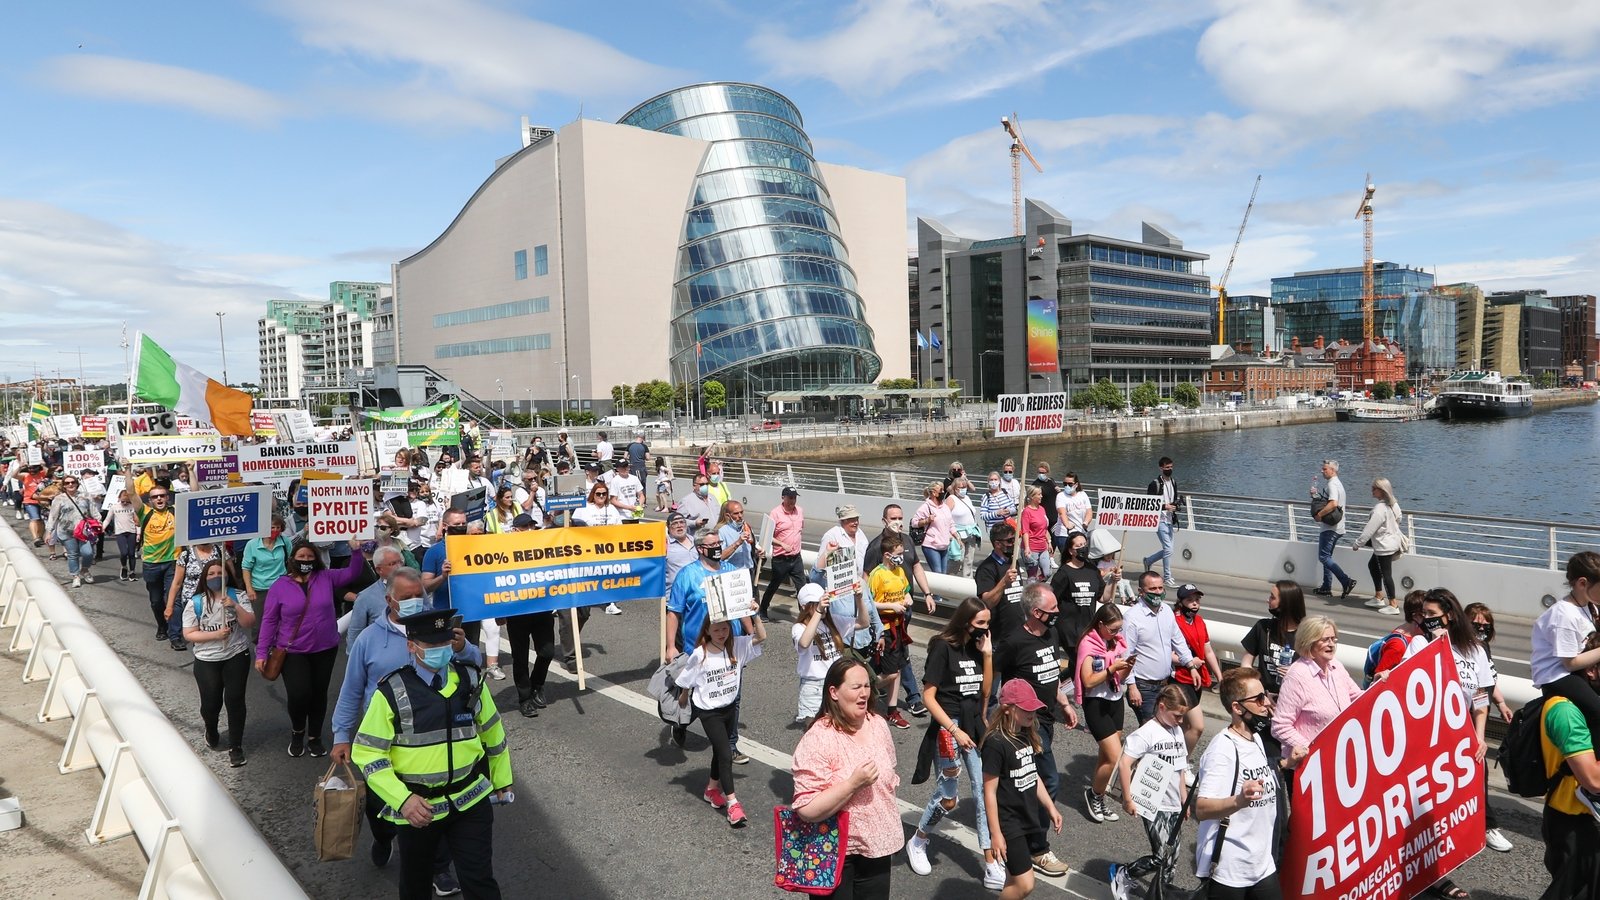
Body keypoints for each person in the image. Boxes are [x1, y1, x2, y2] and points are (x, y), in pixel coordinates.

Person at [350, 607, 513, 900]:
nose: (440, 649)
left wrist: (502, 780)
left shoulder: (470, 679)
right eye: (430, 644)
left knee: (480, 881)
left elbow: (492, 731)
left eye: (444, 642)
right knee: (416, 886)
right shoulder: (392, 691)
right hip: (418, 809)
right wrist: (403, 800)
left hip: (470, 800)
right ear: (412, 646)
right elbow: (367, 753)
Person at [332, 568, 478, 888]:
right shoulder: (370, 640)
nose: (415, 601)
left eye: (418, 596)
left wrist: (463, 649)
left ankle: (439, 868)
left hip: (429, 743)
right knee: (380, 809)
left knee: (432, 805)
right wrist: (342, 735)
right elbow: (352, 689)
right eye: (407, 597)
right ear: (389, 600)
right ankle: (384, 838)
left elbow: (474, 667)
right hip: (383, 743)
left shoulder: (437, 630)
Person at [906, 598, 1000, 888]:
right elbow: (928, 697)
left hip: (972, 727)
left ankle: (990, 862)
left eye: (988, 623)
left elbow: (985, 694)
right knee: (949, 798)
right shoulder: (942, 647)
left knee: (985, 791)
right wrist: (953, 729)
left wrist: (987, 655)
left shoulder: (978, 647)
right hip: (948, 729)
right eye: (980, 624)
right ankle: (919, 840)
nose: (985, 629)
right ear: (965, 621)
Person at [791, 658, 903, 900]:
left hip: (877, 848)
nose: (864, 694)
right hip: (834, 852)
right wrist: (852, 784)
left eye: (867, 686)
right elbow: (806, 809)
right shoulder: (819, 738)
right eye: (855, 688)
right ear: (834, 692)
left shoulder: (878, 725)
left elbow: (890, 773)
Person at [992, 584, 1078, 878]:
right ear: (1036, 612)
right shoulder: (1014, 641)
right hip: (1028, 725)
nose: (1058, 614)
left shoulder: (1051, 635)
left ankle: (1020, 831)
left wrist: (1064, 704)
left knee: (1029, 780)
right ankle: (1037, 846)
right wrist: (989, 711)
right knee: (1049, 781)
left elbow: (1051, 674)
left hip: (1048, 720)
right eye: (1053, 610)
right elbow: (995, 676)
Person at [255, 538, 365, 758]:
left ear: (316, 560)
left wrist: (356, 551)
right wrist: (261, 653)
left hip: (325, 648)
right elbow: (268, 621)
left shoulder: (326, 577)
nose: (306, 560)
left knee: (318, 694)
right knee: (299, 694)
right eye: (301, 557)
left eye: (310, 557)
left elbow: (353, 573)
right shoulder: (279, 586)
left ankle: (314, 736)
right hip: (293, 650)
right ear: (293, 559)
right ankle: (298, 731)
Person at [1194, 667, 1283, 900]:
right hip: (1230, 869)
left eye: (1266, 696)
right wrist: (1239, 800)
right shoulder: (1223, 749)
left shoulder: (1255, 739)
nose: (1266, 704)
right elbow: (1201, 809)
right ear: (1237, 708)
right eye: (1259, 698)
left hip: (1261, 864)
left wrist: (1286, 763)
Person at [673, 614, 767, 827]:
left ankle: (711, 789)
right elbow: (687, 679)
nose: (721, 634)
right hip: (709, 712)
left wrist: (755, 614)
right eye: (716, 630)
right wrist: (683, 696)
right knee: (726, 754)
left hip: (729, 707)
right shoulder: (700, 654)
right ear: (707, 631)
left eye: (725, 629)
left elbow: (761, 637)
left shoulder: (737, 646)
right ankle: (733, 804)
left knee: (719, 750)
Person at [982, 679, 1063, 900]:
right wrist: (996, 834)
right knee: (1025, 884)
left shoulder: (1025, 734)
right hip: (1009, 822)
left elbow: (1032, 774)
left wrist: (1050, 807)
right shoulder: (996, 743)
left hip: (1026, 816)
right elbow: (988, 792)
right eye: (1026, 709)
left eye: (1034, 708)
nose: (1032, 713)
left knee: (1013, 879)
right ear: (1008, 710)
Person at [1109, 685, 1192, 900]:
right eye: (1177, 716)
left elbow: (1180, 766)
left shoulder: (1176, 731)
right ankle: (1124, 873)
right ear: (1162, 707)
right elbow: (1125, 764)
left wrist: (1184, 798)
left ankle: (1160, 894)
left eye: (1183, 717)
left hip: (1174, 804)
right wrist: (1127, 799)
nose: (1180, 721)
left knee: (1171, 860)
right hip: (1154, 804)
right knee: (1161, 856)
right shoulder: (1146, 733)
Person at [1537, 633, 1600, 900]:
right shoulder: (1564, 710)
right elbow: (1593, 780)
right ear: (1592, 669)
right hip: (1573, 823)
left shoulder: (1590, 705)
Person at [180, 557, 257, 768]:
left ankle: (236, 746)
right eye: (211, 574)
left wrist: (235, 607)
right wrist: (214, 636)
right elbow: (189, 634)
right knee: (211, 704)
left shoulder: (238, 595)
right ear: (205, 578)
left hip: (236, 654)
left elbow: (250, 622)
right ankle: (211, 729)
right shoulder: (195, 602)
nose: (216, 577)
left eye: (220, 573)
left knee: (235, 700)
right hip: (207, 660)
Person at [1270, 616, 1361, 770]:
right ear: (1309, 642)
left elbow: (1359, 698)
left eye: (1333, 639)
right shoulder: (1297, 676)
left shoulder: (1336, 667)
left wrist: (1380, 684)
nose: (1331, 644)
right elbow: (1280, 726)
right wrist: (1314, 750)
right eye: (1325, 640)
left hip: (1338, 761)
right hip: (1308, 769)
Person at [1463, 602, 1517, 853]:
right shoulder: (1456, 647)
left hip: (1475, 717)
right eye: (1476, 623)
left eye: (1487, 624)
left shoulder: (1482, 648)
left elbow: (1486, 685)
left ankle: (1485, 824)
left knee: (1479, 768)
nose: (1482, 628)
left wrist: (1502, 703)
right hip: (1454, 719)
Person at [1533, 552, 1600, 743]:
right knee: (1597, 712)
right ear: (1582, 583)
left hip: (1576, 669)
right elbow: (1570, 663)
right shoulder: (1564, 616)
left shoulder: (1588, 605)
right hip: (1557, 675)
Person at [1075, 603, 1133, 824]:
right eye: (1113, 629)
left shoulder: (1116, 643)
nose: (1117, 634)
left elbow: (1122, 678)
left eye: (1119, 629)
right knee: (1114, 757)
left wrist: (1127, 666)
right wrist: (1111, 669)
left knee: (1105, 757)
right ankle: (1095, 795)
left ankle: (1097, 795)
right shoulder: (1088, 644)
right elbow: (1088, 680)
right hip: (1096, 703)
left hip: (1115, 700)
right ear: (1100, 625)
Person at [1123, 570, 1200, 725]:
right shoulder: (1132, 618)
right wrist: (1131, 686)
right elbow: (1126, 655)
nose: (1158, 593)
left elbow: (1178, 640)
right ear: (1141, 592)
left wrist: (1190, 666)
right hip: (1143, 686)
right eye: (1152, 589)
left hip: (1165, 685)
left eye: (1160, 588)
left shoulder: (1166, 611)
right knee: (1151, 732)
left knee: (1165, 730)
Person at [1050, 529, 1116, 680]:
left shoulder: (1092, 570)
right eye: (1078, 546)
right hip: (1069, 631)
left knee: (1078, 666)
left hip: (1087, 628)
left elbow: (1103, 598)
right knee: (1084, 666)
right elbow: (1051, 599)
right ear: (1071, 551)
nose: (1083, 548)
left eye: (1084, 544)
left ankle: (1059, 685)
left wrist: (1113, 581)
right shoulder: (1064, 573)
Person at [866, 532, 915, 730]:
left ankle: (892, 709)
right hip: (884, 629)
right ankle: (861, 691)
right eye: (898, 554)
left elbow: (906, 591)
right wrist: (892, 607)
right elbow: (869, 604)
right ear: (887, 554)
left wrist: (907, 599)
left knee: (898, 668)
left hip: (899, 627)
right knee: (890, 672)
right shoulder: (877, 575)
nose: (901, 557)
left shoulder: (900, 571)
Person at [133, 484, 187, 650]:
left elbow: (196, 494)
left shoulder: (176, 510)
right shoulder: (145, 513)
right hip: (151, 564)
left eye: (162, 495)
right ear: (150, 501)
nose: (159, 499)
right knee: (156, 601)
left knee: (173, 600)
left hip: (173, 562)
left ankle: (175, 636)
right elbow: (130, 492)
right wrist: (127, 471)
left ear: (167, 497)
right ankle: (162, 626)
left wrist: (192, 472)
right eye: (155, 497)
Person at [793, 583, 851, 722]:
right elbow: (804, 643)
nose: (824, 606)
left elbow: (864, 622)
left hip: (836, 684)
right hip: (813, 688)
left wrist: (859, 598)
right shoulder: (799, 628)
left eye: (824, 603)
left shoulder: (832, 622)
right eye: (816, 603)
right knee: (813, 734)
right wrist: (818, 612)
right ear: (804, 606)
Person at [1352, 476, 1404, 614]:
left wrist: (1358, 544)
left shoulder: (1379, 509)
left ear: (1382, 490)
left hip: (1383, 546)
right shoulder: (1394, 504)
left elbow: (1369, 529)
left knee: (1386, 574)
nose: (1372, 490)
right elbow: (1399, 518)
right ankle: (1378, 596)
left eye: (1374, 488)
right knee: (1373, 565)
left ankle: (1393, 604)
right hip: (1391, 542)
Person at [344, 546, 407, 649]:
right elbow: (355, 633)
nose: (399, 567)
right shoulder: (365, 597)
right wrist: (355, 660)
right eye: (393, 564)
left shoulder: (416, 588)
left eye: (400, 562)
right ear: (379, 569)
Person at [1310, 458, 1356, 599]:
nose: (1322, 471)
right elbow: (1329, 501)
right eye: (1322, 468)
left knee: (1323, 557)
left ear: (1333, 470)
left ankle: (1346, 581)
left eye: (1325, 469)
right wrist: (1315, 496)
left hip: (1331, 528)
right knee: (1327, 557)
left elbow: (1333, 504)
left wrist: (1319, 515)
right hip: (1337, 527)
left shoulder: (1332, 485)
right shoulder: (1336, 484)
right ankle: (1326, 587)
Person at [759, 487, 806, 622]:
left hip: (796, 557)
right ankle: (763, 610)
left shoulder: (800, 511)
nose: (793, 501)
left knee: (802, 588)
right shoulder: (775, 513)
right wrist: (782, 544)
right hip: (781, 559)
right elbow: (769, 537)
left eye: (794, 498)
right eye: (790, 497)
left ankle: (804, 616)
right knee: (774, 585)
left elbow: (800, 529)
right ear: (783, 498)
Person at [44, 472, 96, 587]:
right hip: (66, 531)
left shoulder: (86, 496)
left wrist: (99, 523)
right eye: (67, 483)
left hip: (84, 531)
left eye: (73, 482)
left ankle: (84, 569)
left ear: (77, 484)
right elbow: (53, 516)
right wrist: (48, 532)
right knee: (73, 554)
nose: (70, 484)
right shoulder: (58, 499)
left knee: (88, 553)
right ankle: (75, 576)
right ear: (64, 485)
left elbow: (94, 511)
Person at [975, 523, 1024, 638]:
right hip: (999, 634)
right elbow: (988, 602)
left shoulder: (1012, 562)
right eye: (1010, 540)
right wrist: (1004, 582)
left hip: (1018, 629)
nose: (1014, 544)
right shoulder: (986, 568)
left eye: (1016, 539)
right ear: (997, 544)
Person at [164, 541, 221, 634]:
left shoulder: (220, 552)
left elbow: (230, 576)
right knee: (196, 634)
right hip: (192, 604)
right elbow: (177, 583)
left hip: (216, 601)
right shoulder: (186, 555)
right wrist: (169, 607)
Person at [1142, 457, 1180, 586]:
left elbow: (1174, 498)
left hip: (1169, 518)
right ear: (1161, 468)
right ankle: (1167, 577)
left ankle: (1148, 561)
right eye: (1167, 467)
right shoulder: (1155, 484)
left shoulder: (1173, 482)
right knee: (1168, 549)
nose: (1170, 469)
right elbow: (1149, 504)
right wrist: (1165, 507)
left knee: (1169, 549)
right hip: (1159, 519)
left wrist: (1175, 506)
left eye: (1171, 467)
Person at [241, 516, 290, 607]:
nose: (275, 530)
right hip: (259, 590)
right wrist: (249, 589)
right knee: (260, 619)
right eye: (272, 527)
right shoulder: (252, 544)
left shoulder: (285, 542)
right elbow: (246, 568)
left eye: (278, 527)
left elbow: (291, 560)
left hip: (281, 587)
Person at [910, 481, 954, 575]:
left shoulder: (945, 507)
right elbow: (914, 523)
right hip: (931, 545)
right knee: (937, 572)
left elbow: (951, 522)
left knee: (944, 573)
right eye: (941, 490)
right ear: (934, 493)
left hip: (944, 544)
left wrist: (956, 535)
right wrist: (927, 520)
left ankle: (940, 589)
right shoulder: (926, 507)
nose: (943, 492)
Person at [946, 476, 983, 578]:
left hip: (971, 533)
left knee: (969, 560)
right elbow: (945, 516)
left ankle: (968, 580)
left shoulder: (967, 498)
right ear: (954, 488)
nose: (963, 489)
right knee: (957, 560)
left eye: (964, 487)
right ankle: (949, 578)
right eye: (960, 487)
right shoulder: (951, 499)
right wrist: (950, 533)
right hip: (957, 533)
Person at [105, 488, 139, 582]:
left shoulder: (132, 507)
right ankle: (124, 567)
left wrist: (138, 533)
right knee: (124, 552)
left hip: (132, 532)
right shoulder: (114, 507)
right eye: (123, 501)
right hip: (120, 533)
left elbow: (137, 521)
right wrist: (102, 528)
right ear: (119, 498)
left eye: (127, 502)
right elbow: (107, 519)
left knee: (132, 553)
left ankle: (132, 571)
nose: (124, 503)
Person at [1019, 486, 1052, 581]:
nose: (1041, 496)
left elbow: (1044, 528)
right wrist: (1027, 547)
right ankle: (1031, 592)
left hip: (1043, 547)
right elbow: (1025, 531)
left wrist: (1049, 542)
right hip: (1032, 548)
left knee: (1047, 573)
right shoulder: (1026, 512)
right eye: (1039, 494)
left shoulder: (1042, 509)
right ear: (1032, 497)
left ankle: (1037, 586)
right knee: (1032, 576)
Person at [676, 472, 718, 538]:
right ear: (694, 486)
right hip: (700, 539)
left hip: (716, 537)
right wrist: (695, 523)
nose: (705, 486)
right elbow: (678, 521)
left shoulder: (712, 497)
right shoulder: (686, 501)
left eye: (707, 484)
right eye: (702, 484)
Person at [664, 512, 698, 586]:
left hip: (698, 589)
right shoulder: (664, 545)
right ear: (668, 527)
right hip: (676, 592)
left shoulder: (696, 541)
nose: (679, 526)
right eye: (675, 523)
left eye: (682, 522)